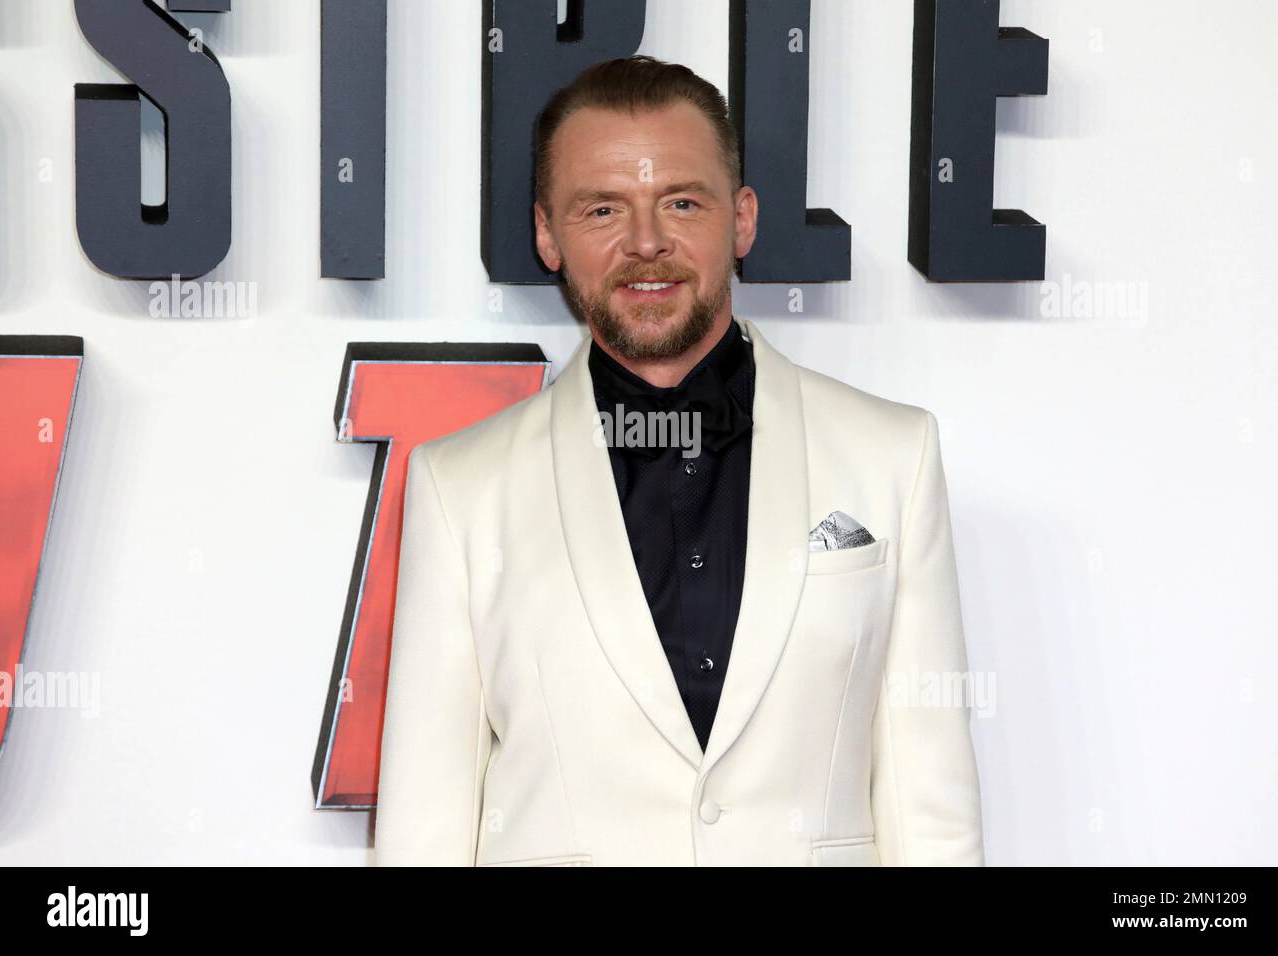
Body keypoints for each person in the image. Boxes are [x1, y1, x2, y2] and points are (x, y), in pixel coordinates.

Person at [375, 55, 983, 866]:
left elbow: (929, 808)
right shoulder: (460, 488)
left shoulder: (892, 457)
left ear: (741, 220)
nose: (647, 242)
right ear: (547, 235)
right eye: (602, 210)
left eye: (682, 202)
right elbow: (424, 826)